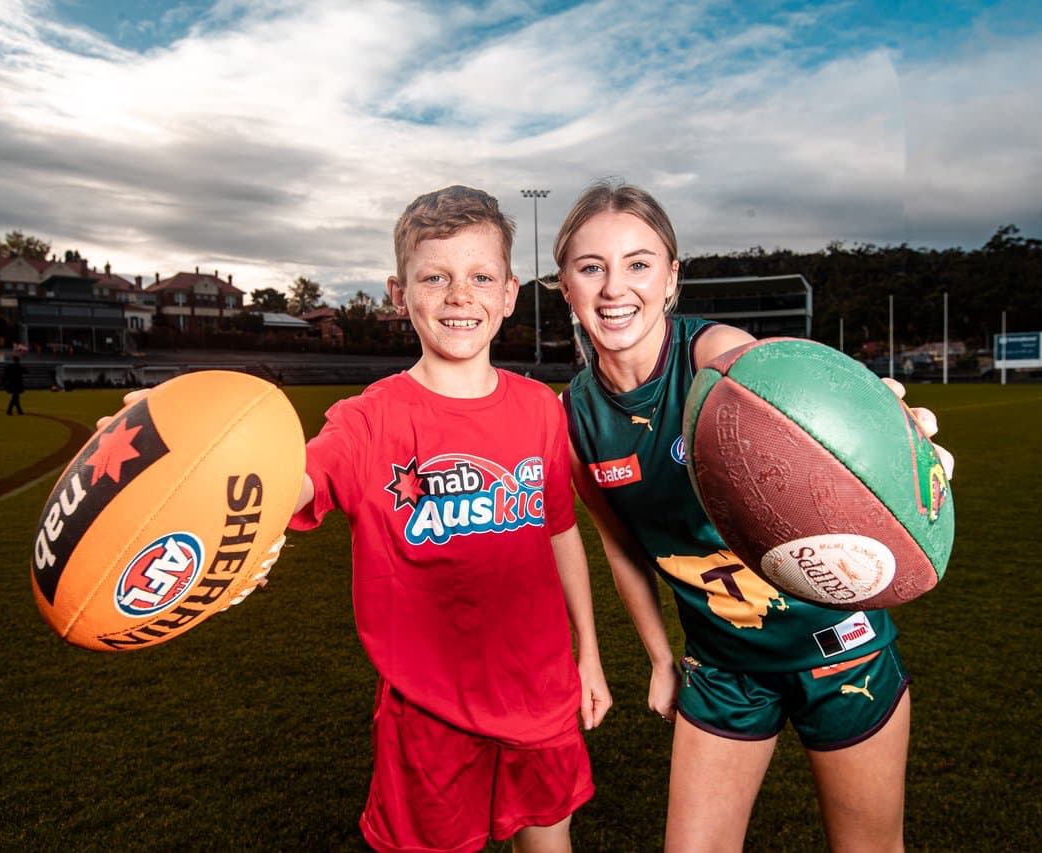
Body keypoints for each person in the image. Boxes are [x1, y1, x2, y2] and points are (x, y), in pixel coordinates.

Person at [551, 180, 952, 852]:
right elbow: (620, 548)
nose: (615, 287)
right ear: (565, 283)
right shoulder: (575, 418)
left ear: (672, 278)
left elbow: (770, 379)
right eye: (592, 266)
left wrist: (872, 417)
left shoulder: (714, 356)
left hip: (837, 648)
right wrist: (658, 658)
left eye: (640, 263)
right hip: (723, 665)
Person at [290, 185, 611, 852]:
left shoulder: (540, 410)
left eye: (480, 276)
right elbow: (294, 481)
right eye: (434, 276)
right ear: (398, 293)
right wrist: (197, 455)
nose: (459, 296)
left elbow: (560, 532)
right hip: (427, 711)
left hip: (543, 691)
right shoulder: (366, 420)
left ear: (509, 293)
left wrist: (590, 654)